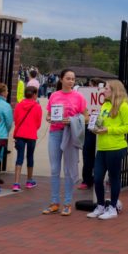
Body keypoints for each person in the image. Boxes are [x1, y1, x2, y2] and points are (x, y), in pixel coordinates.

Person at [43, 69, 87, 216]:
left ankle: (67, 203)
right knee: (55, 169)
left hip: (70, 133)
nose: (71, 81)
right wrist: (49, 118)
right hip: (55, 133)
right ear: (61, 79)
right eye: (68, 78)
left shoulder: (79, 97)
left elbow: (86, 117)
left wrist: (73, 120)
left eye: (73, 79)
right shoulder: (54, 95)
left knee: (68, 169)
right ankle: (54, 202)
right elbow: (49, 114)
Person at [88, 79, 128, 220]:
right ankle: (100, 206)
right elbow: (102, 123)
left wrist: (109, 129)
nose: (104, 90)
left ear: (114, 90)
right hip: (102, 147)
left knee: (114, 178)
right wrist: (95, 125)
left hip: (116, 147)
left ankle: (113, 207)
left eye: (106, 88)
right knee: (97, 177)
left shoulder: (124, 106)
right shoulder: (105, 105)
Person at [12, 84, 43, 191]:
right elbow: (38, 123)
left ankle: (16, 183)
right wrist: (33, 128)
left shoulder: (19, 105)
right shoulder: (37, 106)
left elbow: (16, 119)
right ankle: (29, 180)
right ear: (34, 95)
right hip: (31, 134)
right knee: (30, 156)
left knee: (19, 157)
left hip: (20, 133)